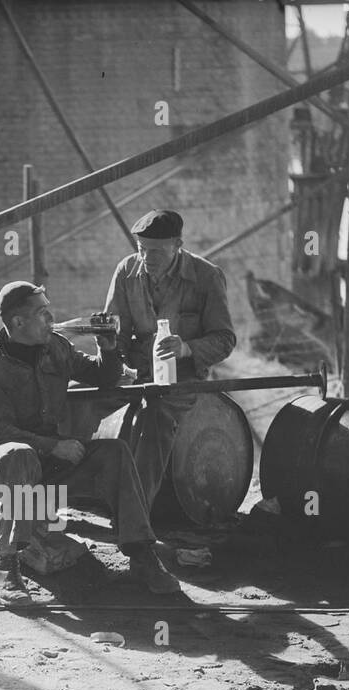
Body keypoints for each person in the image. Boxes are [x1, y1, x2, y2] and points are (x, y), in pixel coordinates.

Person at [0, 281, 182, 606]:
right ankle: (7, 567)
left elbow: (102, 376)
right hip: (2, 460)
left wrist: (107, 348)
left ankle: (141, 554)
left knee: (115, 454)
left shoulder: (57, 347)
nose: (51, 318)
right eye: (42, 313)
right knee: (18, 454)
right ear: (17, 323)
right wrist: (53, 446)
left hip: (50, 460)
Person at [104, 209, 237, 510]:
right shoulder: (126, 271)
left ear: (178, 244)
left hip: (183, 378)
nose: (147, 258)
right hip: (136, 373)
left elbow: (225, 340)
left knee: (155, 415)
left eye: (157, 251)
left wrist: (187, 348)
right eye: (142, 249)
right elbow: (117, 332)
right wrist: (117, 361)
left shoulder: (206, 276)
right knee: (78, 396)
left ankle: (134, 516)